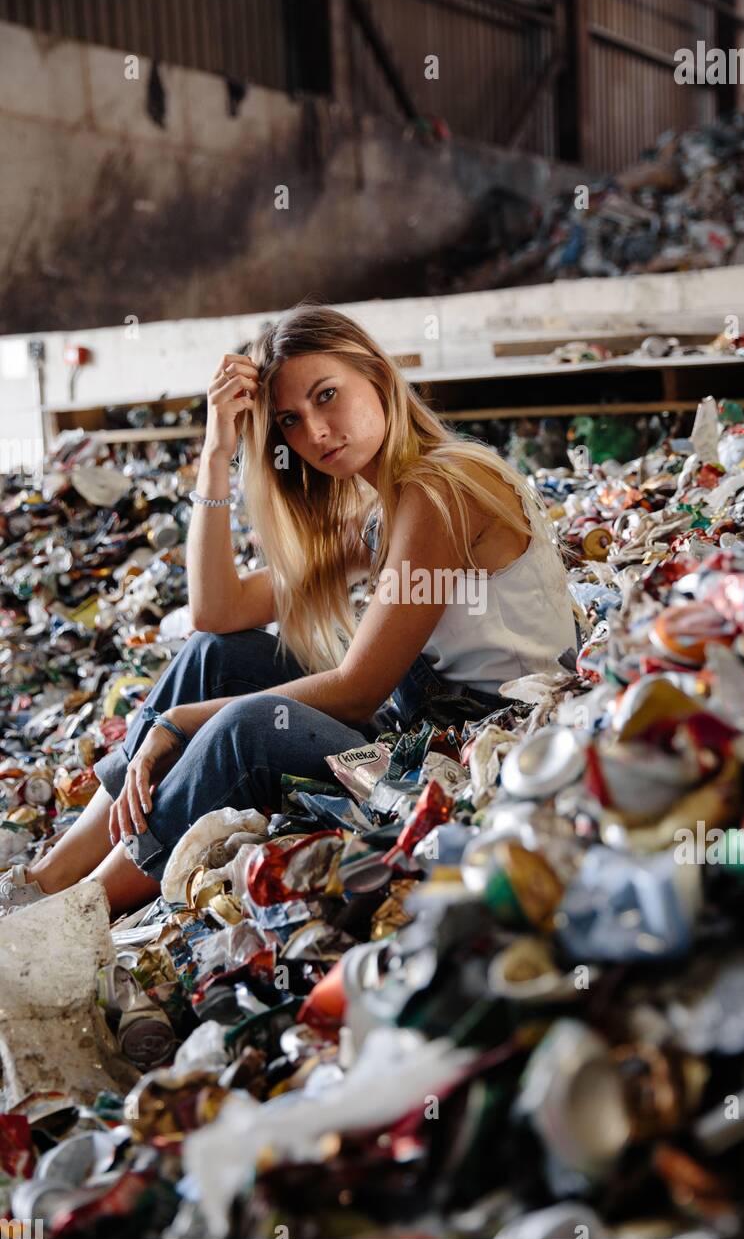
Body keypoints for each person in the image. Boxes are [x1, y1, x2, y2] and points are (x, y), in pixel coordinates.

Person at [0, 305, 576, 921]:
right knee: (214, 660)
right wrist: (217, 451)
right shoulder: (386, 506)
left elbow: (357, 691)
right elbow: (216, 610)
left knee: (247, 728)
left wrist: (178, 723)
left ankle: (69, 913)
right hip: (421, 718)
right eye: (291, 421)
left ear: (377, 376)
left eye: (328, 396)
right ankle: (42, 879)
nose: (318, 432)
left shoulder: (440, 491)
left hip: (480, 742)